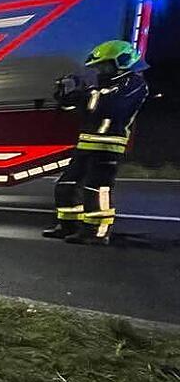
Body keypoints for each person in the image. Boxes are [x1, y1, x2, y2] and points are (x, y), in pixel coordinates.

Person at [43, 40, 149, 245]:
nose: (101, 71)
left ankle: (97, 232)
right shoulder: (100, 87)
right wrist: (65, 93)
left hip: (109, 146)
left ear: (123, 62)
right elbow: (74, 108)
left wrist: (85, 93)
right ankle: (69, 226)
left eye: (105, 66)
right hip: (86, 144)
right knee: (66, 184)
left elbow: (109, 105)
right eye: (99, 67)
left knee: (97, 189)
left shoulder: (134, 84)